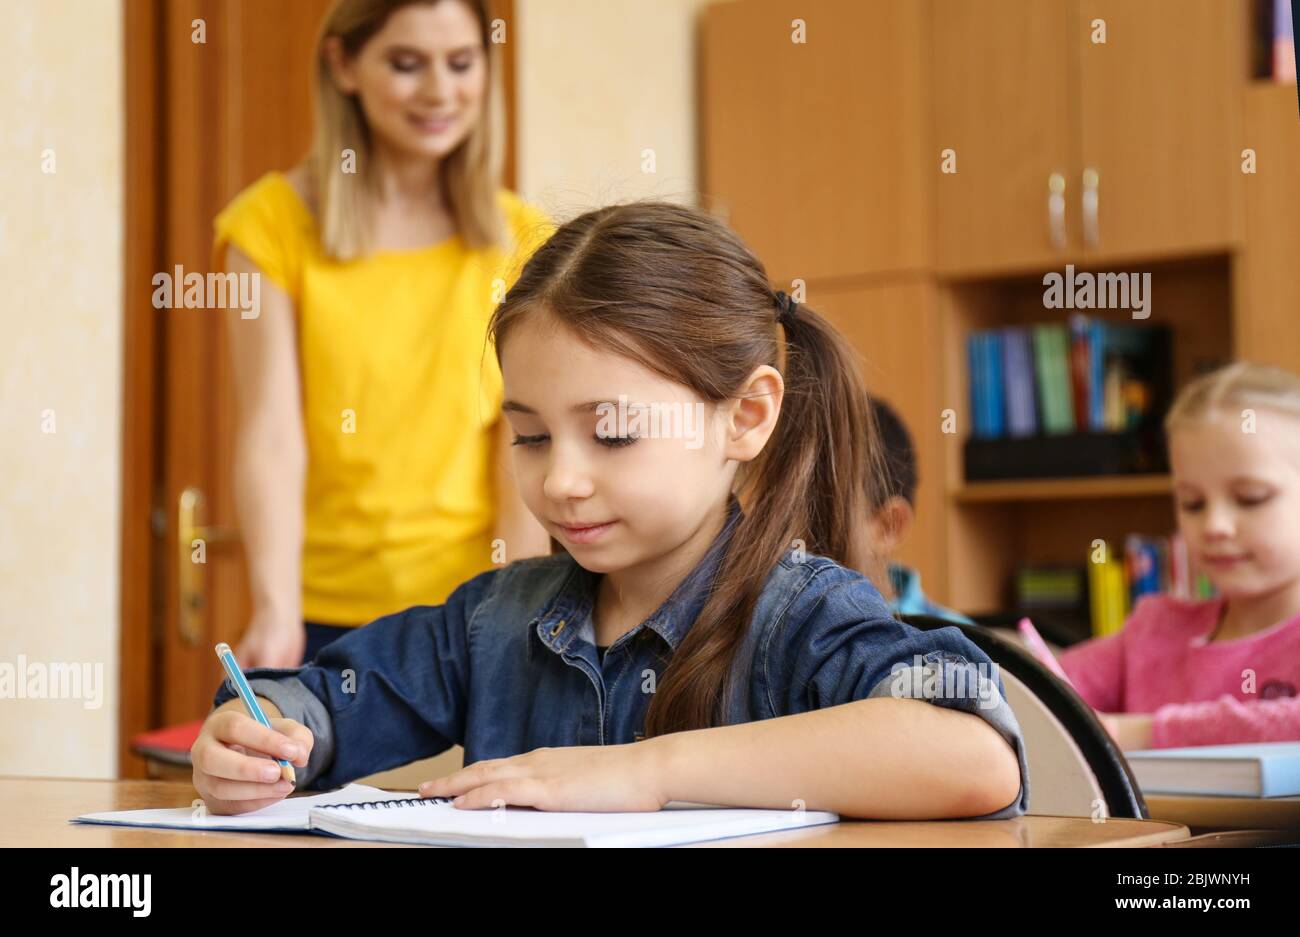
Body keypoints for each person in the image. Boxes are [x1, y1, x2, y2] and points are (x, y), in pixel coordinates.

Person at [193, 201, 1027, 820]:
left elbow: (974, 752)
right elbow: (327, 699)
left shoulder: (798, 613)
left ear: (744, 416)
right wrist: (261, 729)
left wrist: (650, 770)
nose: (561, 482)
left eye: (613, 433)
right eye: (529, 436)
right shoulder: (495, 621)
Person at [214, 0, 550, 668]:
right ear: (343, 65)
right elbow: (273, 436)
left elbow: (525, 442)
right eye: (406, 64)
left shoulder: (524, 241)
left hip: (472, 612)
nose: (440, 91)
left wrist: (517, 609)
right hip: (322, 615)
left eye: (461, 63)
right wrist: (275, 607)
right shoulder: (270, 227)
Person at [1061, 362, 1300, 749]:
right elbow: (1039, 690)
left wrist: (1141, 732)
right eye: (1192, 504)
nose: (1215, 525)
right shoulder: (1155, 631)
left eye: (1250, 498)